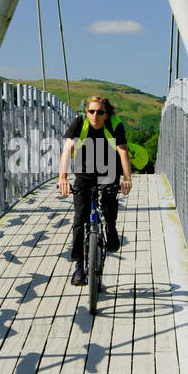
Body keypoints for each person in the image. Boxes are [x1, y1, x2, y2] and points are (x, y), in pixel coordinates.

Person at [58, 94, 132, 286]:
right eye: (91, 111)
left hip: (109, 173)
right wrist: (63, 178)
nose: (95, 116)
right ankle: (79, 266)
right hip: (84, 174)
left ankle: (111, 229)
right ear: (86, 112)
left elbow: (122, 151)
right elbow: (67, 150)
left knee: (108, 210)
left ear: (107, 114)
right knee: (79, 219)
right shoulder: (80, 123)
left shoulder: (115, 125)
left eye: (100, 112)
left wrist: (127, 179)